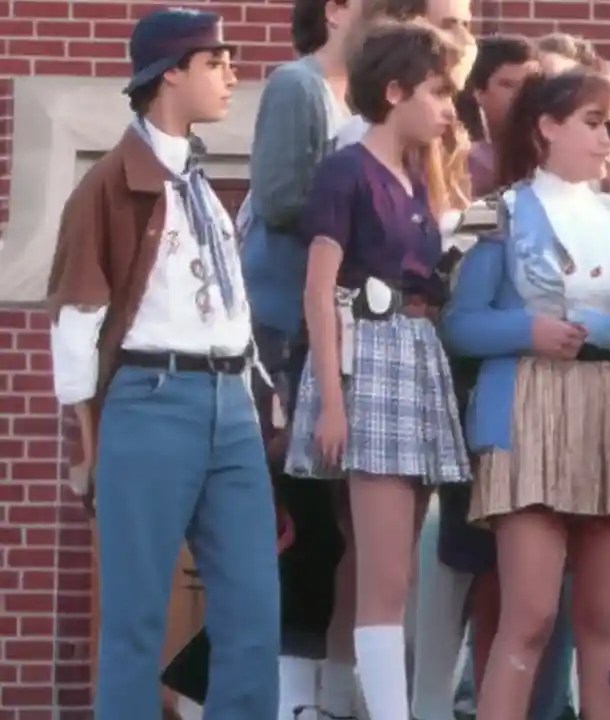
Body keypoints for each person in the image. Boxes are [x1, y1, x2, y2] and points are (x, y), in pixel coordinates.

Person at [46, 9, 279, 719]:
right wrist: (88, 443)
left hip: (228, 404)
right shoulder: (110, 183)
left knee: (253, 615)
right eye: (215, 60)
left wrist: (253, 398)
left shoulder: (202, 183)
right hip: (149, 401)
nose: (231, 73)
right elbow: (76, 325)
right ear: (169, 73)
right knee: (135, 621)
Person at [442, 69, 610, 720]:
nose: (607, 137)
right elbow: (458, 325)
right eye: (593, 122)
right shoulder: (498, 214)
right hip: (526, 410)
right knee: (527, 615)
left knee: (603, 619)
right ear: (547, 127)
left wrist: (603, 332)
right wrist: (526, 329)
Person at [283, 23, 470, 720]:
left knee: (379, 562)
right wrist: (333, 401)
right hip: (369, 357)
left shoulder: (419, 176)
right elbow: (317, 288)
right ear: (394, 92)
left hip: (413, 356)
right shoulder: (347, 170)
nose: (450, 108)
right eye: (438, 92)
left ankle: (338, 704)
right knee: (387, 573)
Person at [239, 1, 365, 716]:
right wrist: (365, 177)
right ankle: (287, 698)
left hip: (336, 333)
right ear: (339, 8)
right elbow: (284, 197)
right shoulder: (298, 86)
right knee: (304, 521)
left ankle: (325, 693)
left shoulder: (354, 97)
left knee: (340, 529)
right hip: (288, 330)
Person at [456, 35, 540, 197]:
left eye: (529, 84)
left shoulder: (555, 152)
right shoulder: (463, 162)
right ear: (479, 92)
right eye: (508, 85)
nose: (522, 94)